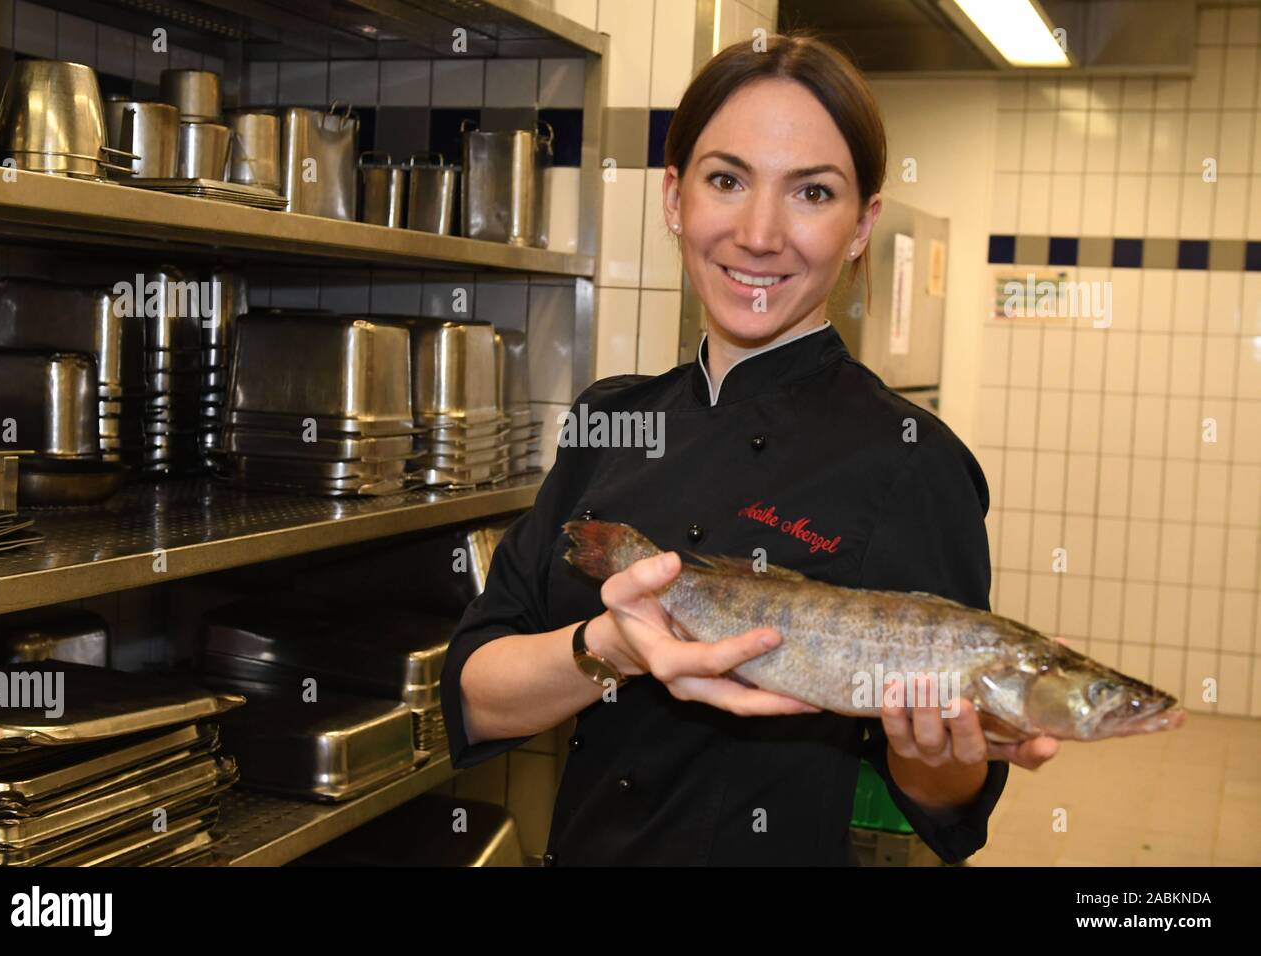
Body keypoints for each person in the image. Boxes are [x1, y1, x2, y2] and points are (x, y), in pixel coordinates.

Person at [440, 30, 1059, 866]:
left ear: (860, 226)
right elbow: (476, 694)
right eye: (727, 180)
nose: (760, 234)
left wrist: (927, 752)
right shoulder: (609, 418)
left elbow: (949, 809)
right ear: (674, 197)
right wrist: (611, 648)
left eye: (811, 193)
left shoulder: (913, 459)